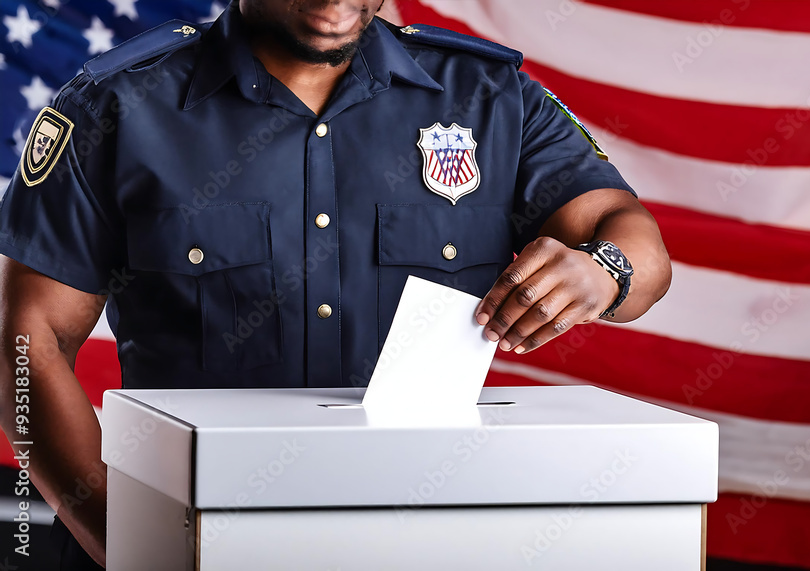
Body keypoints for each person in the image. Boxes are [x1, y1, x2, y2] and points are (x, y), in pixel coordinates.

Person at [0, 0, 672, 567]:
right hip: (187, 533)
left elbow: (630, 236)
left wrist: (603, 270)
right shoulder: (118, 104)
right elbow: (27, 344)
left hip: (427, 538)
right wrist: (127, 542)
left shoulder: (488, 98)